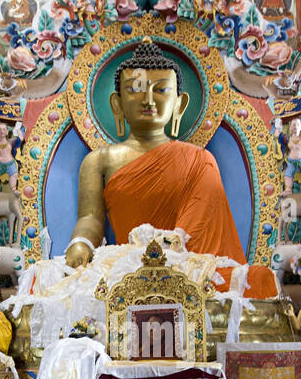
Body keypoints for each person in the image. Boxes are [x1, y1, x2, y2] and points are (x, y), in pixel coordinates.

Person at [63, 40, 276, 298]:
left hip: (187, 270)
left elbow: (201, 241)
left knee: (259, 279)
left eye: (162, 90)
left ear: (179, 104)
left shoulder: (199, 160)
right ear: (117, 104)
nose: (149, 99)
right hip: (127, 270)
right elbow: (90, 219)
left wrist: (171, 258)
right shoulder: (100, 160)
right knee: (47, 280)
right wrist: (80, 244)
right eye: (135, 90)